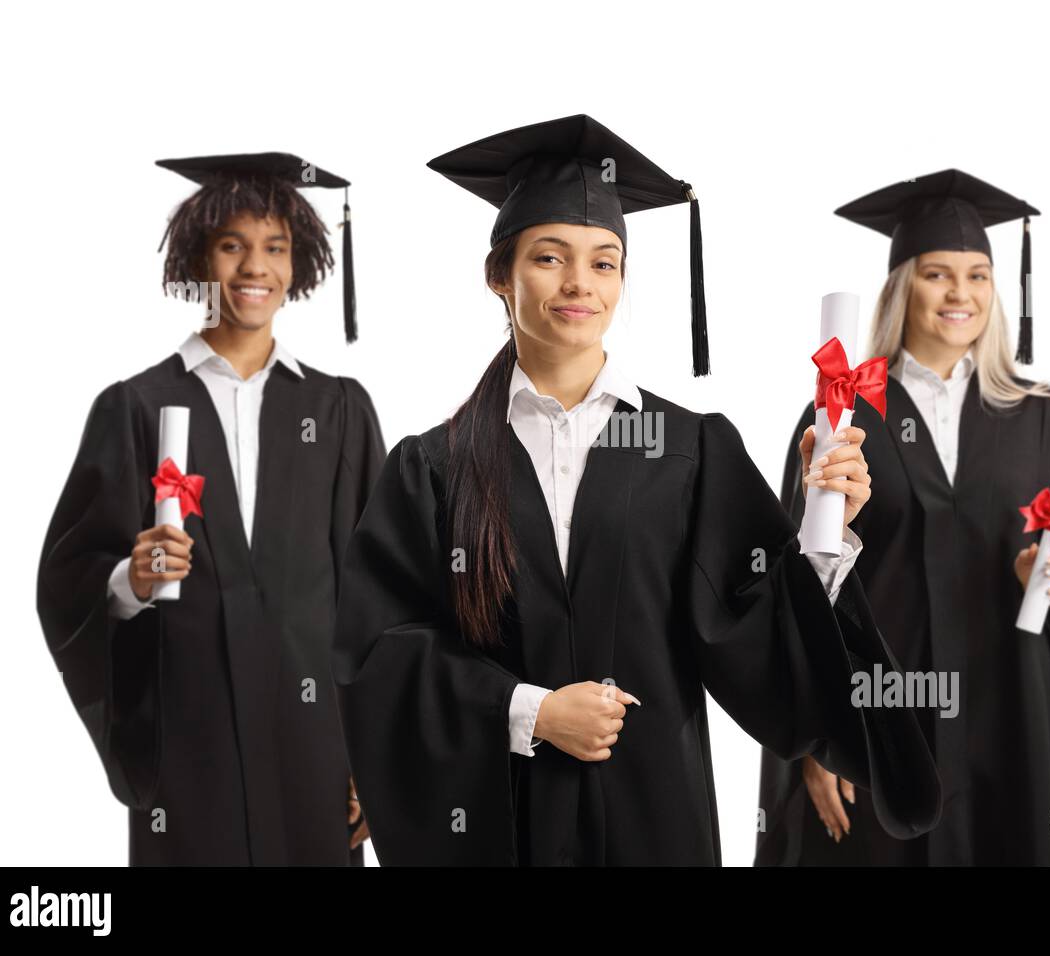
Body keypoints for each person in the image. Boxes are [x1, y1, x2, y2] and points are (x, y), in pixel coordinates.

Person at [332, 114, 940, 866]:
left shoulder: (688, 449)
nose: (580, 282)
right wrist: (533, 711)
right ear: (499, 274)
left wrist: (825, 536)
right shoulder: (433, 467)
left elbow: (753, 638)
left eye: (605, 262)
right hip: (501, 829)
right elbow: (379, 652)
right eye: (550, 257)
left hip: (657, 821)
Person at [755, 169, 1050, 866]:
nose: (961, 294)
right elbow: (790, 585)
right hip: (878, 723)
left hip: (1008, 722)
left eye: (979, 275)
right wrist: (813, 742)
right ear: (902, 285)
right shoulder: (840, 413)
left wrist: (1045, 583)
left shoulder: (1045, 417)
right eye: (937, 274)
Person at [36, 152, 385, 865]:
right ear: (199, 257)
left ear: (300, 262)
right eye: (232, 246)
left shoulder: (338, 410)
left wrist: (373, 757)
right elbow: (66, 579)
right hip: (188, 740)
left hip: (313, 742)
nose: (254, 267)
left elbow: (378, 596)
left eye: (275, 248)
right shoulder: (135, 407)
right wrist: (129, 582)